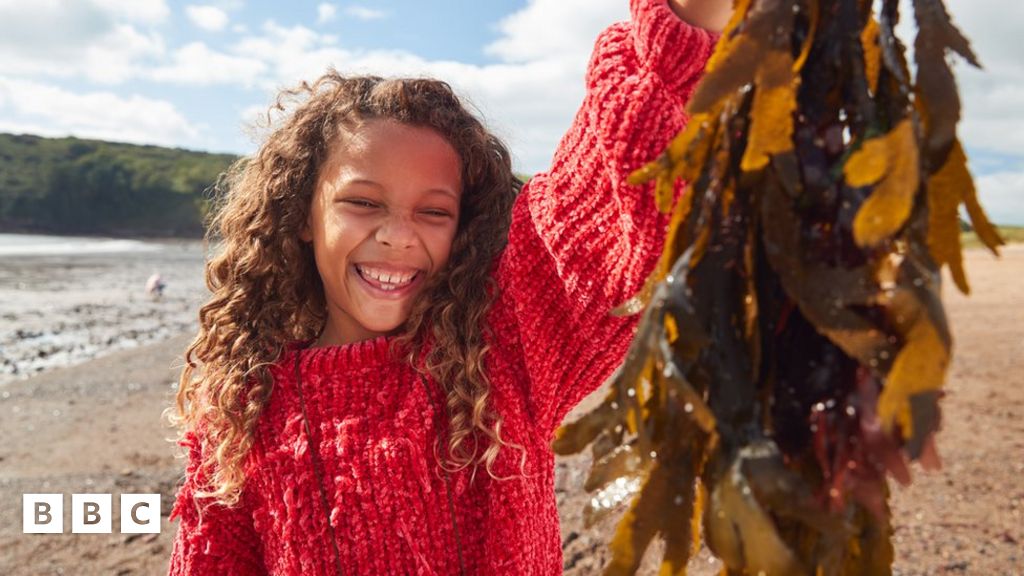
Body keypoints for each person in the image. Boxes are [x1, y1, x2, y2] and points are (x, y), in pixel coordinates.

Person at [166, 0, 731, 574]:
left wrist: (687, 20)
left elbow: (607, 192)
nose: (397, 236)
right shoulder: (241, 413)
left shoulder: (502, 353)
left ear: (465, 228)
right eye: (363, 203)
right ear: (303, 217)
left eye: (434, 212)